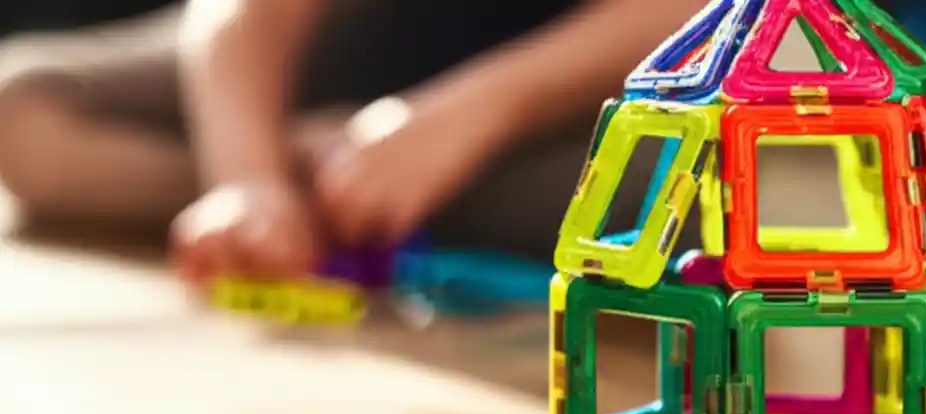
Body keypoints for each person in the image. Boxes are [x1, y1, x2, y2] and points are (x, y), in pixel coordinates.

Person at [0, 0, 701, 284]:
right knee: (23, 111)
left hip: (575, 93)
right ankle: (335, 181)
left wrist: (463, 118)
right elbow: (242, 17)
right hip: (357, 46)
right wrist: (246, 179)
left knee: (718, 199)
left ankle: (353, 182)